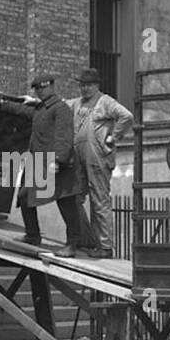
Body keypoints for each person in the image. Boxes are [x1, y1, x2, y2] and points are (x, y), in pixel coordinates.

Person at [0, 75, 84, 258]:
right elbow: (22, 111)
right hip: (39, 163)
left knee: (67, 204)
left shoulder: (61, 109)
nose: (41, 91)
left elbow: (64, 137)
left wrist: (57, 161)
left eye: (44, 88)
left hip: (58, 165)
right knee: (24, 196)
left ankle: (72, 245)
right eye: (38, 89)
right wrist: (2, 102)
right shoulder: (40, 108)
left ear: (52, 87)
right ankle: (33, 235)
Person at [67, 67, 133, 259]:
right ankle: (86, 239)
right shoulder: (77, 103)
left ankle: (104, 246)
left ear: (96, 86)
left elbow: (126, 116)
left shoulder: (105, 101)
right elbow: (60, 105)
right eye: (82, 85)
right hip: (78, 158)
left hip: (97, 157)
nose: (84, 89)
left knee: (99, 200)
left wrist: (114, 137)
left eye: (88, 85)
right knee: (73, 198)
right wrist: (33, 100)